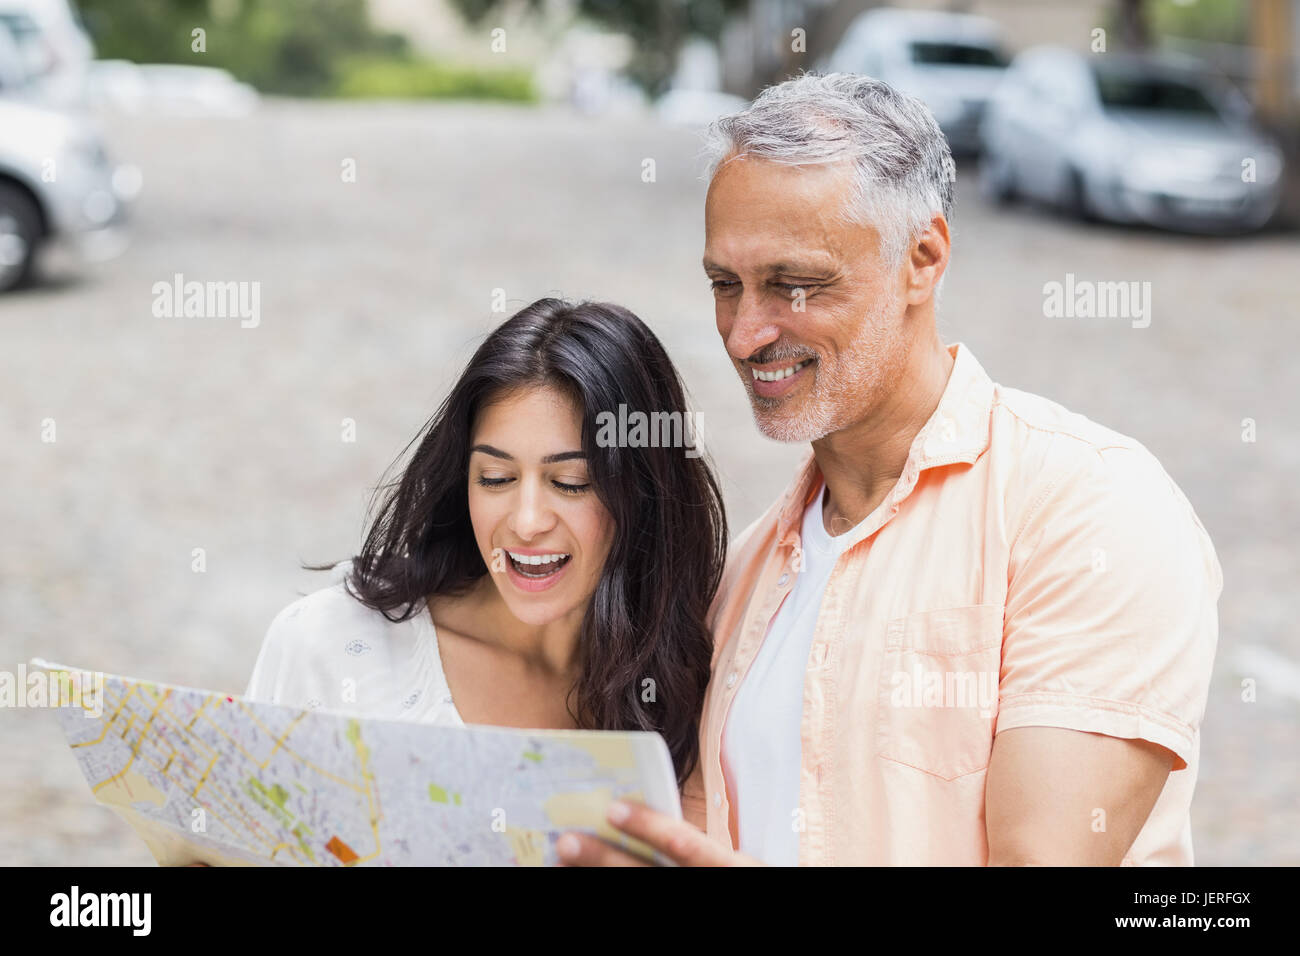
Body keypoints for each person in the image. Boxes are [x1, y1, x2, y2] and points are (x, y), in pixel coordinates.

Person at [558, 72, 1221, 867]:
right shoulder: (743, 578)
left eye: (794, 285)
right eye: (725, 286)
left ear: (924, 258)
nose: (743, 335)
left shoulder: (1092, 508)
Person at [243, 297, 726, 829]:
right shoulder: (330, 646)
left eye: (571, 483)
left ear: (645, 493)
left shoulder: (687, 681)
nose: (526, 521)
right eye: (495, 478)